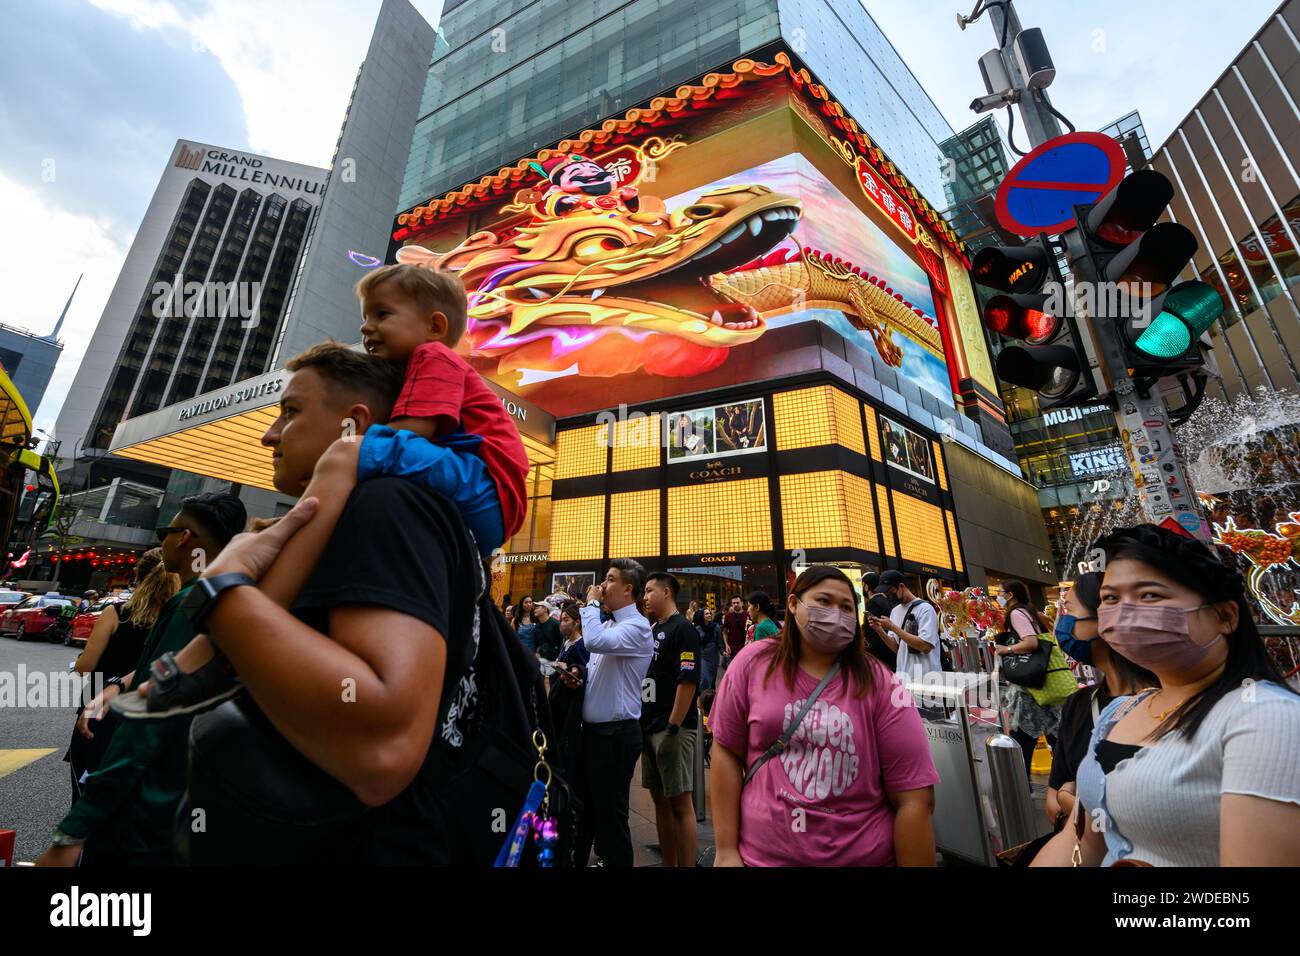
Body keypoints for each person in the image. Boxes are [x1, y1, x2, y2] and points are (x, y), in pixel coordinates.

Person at [148, 342, 511, 864]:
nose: (269, 434)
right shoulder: (370, 515)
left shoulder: (388, 506)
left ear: (354, 423)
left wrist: (223, 589)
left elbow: (384, 749)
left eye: (290, 412)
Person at [128, 256, 530, 715]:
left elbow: (407, 435)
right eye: (365, 317)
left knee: (347, 452)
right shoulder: (428, 366)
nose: (368, 328)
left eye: (382, 314)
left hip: (487, 487)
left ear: (435, 326)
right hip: (486, 497)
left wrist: (339, 470)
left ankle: (226, 646)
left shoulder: (433, 358)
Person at [1033, 524, 1300, 866]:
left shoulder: (1265, 717)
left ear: (1225, 616)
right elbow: (1081, 841)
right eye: (1111, 599)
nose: (1126, 612)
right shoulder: (1119, 714)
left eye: (1149, 595)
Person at [36, 493, 246, 867]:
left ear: (183, 537)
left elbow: (146, 723)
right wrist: (117, 685)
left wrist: (76, 827)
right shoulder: (210, 596)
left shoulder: (189, 603)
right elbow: (166, 666)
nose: (161, 540)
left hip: (146, 808)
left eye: (165, 531)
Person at [709, 565, 938, 866]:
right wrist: (726, 851)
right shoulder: (752, 663)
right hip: (762, 857)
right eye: (824, 601)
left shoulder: (881, 682)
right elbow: (726, 750)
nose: (836, 613)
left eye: (846, 607)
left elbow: (914, 798)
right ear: (793, 604)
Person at [1044, 572, 1157, 830]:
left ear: (1104, 617)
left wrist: (1069, 802)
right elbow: (1051, 802)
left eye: (1069, 610)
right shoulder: (1079, 703)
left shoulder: (1164, 705)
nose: (1063, 622)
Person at [65, 549, 179, 804]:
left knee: (84, 789)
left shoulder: (115, 613)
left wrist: (81, 660)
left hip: (96, 706)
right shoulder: (174, 619)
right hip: (145, 711)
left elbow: (86, 666)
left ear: (137, 575)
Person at [574, 559, 654, 867]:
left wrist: (591, 604)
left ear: (627, 589)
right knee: (590, 811)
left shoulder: (637, 627)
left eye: (609, 580)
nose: (602, 586)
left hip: (615, 736)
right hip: (595, 735)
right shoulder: (610, 624)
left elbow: (592, 641)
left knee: (611, 815)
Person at [640, 572, 700, 868]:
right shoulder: (652, 629)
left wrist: (673, 726)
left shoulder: (684, 629)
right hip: (649, 728)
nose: (645, 596)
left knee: (680, 803)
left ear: (667, 592)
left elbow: (687, 680)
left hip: (673, 729)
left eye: (650, 590)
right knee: (660, 802)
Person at [992, 579, 1061, 774]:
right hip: (1042, 681)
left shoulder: (1015, 613)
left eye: (1000, 592)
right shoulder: (1030, 611)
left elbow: (1031, 643)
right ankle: (1065, 780)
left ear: (1010, 595)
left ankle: (1021, 785)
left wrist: (1006, 649)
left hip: (1029, 685)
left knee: (1022, 737)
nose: (998, 596)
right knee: (1052, 733)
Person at [869, 570, 941, 682]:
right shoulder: (895, 611)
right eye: (886, 593)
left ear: (901, 586)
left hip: (927, 677)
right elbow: (897, 648)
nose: (889, 595)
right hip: (904, 677)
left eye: (890, 591)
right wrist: (879, 630)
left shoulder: (925, 609)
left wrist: (893, 627)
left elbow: (925, 646)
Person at [547, 601, 589, 780]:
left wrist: (570, 668)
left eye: (566, 619)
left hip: (569, 706)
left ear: (576, 622)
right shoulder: (566, 643)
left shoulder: (581, 645)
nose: (562, 623)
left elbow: (583, 672)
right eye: (561, 619)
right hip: (558, 702)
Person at [862, 571, 897, 666]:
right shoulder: (887, 601)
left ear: (866, 587)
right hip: (892, 650)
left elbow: (872, 631)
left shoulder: (872, 603)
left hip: (881, 655)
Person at [696, 606, 723, 691]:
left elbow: (719, 642)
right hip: (702, 657)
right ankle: (703, 699)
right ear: (702, 616)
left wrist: (722, 651)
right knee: (704, 679)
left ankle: (710, 701)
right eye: (706, 613)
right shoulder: (697, 629)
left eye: (710, 613)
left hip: (713, 657)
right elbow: (695, 644)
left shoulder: (716, 627)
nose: (709, 615)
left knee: (712, 681)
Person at [721, 596, 748, 664]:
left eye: (737, 602)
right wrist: (726, 645)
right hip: (733, 648)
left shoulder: (748, 615)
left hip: (746, 647)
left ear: (742, 603)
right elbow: (724, 632)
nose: (736, 604)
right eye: (734, 603)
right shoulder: (728, 616)